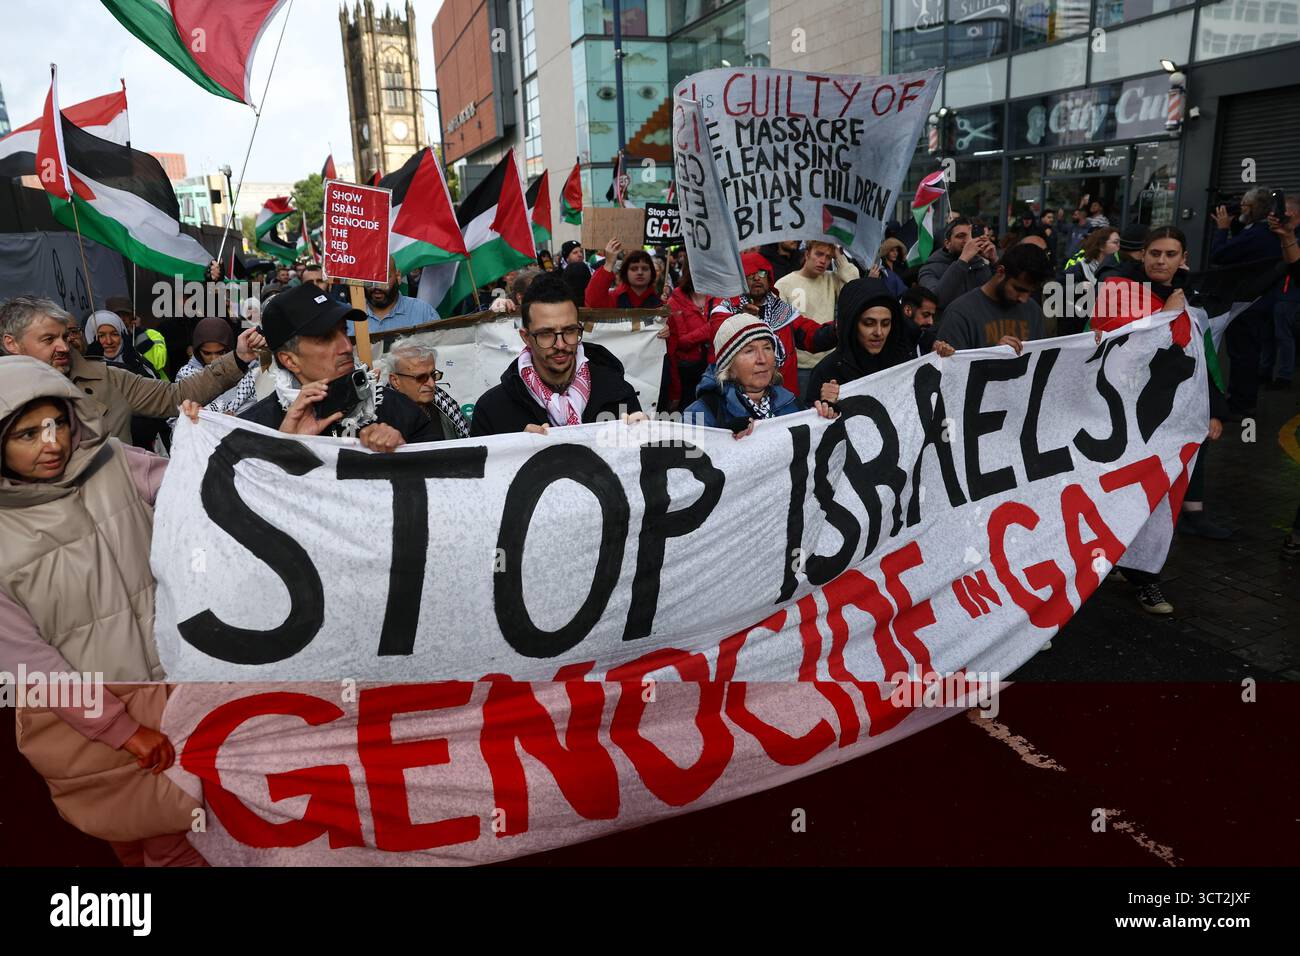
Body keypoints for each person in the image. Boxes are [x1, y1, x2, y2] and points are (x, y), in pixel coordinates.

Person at [0, 356, 206, 866]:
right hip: (87, 726)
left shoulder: (113, 460)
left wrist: (232, 445)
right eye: (26, 435)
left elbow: (200, 492)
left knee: (175, 839)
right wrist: (123, 731)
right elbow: (29, 663)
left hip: (176, 694)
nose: (50, 444)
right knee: (129, 838)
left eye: (56, 425)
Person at [1092, 225, 1231, 606]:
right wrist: (1162, 321)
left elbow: (1203, 357)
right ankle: (1104, 564)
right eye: (1155, 253)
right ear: (1143, 254)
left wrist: (1214, 410)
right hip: (1119, 416)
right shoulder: (1117, 290)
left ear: (1182, 258)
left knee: (1159, 499)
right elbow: (1106, 351)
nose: (1161, 261)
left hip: (1172, 418)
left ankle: (1145, 577)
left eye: (1171, 254)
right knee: (1115, 494)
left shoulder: (1192, 298)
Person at [0, 295, 259, 445]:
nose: (63, 347)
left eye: (65, 337)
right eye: (48, 340)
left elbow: (174, 395)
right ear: (11, 343)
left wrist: (237, 358)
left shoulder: (108, 377)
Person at [240, 283, 438, 450]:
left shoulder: (399, 411)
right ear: (289, 360)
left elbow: (443, 482)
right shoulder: (254, 430)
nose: (346, 346)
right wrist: (286, 450)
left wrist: (405, 453)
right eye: (325, 338)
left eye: (344, 330)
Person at [470, 270, 641, 436]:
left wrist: (643, 438)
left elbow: (643, 463)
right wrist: (516, 453)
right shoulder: (492, 410)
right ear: (526, 337)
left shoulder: (619, 394)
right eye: (546, 334)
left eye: (569, 330)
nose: (560, 344)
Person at [804, 277, 952, 407]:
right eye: (869, 323)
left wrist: (940, 350)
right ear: (851, 325)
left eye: (886, 323)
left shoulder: (903, 362)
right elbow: (811, 432)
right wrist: (826, 408)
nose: (879, 333)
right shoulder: (826, 373)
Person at [685, 314, 837, 436]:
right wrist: (722, 440)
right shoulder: (700, 414)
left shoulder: (792, 404)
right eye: (749, 351)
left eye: (767, 348)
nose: (762, 359)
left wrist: (822, 417)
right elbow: (686, 465)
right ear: (728, 365)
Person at [709, 251, 838, 393]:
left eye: (762, 273)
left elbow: (813, 336)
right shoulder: (725, 310)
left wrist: (839, 328)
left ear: (769, 278)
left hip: (782, 399)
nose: (757, 278)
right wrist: (741, 319)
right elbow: (719, 334)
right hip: (740, 399)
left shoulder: (782, 311)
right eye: (750, 274)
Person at [1211, 188, 1285, 415]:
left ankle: (1240, 403)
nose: (1239, 207)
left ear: (1255, 209)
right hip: (1261, 300)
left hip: (1248, 304)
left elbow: (1219, 255)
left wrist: (1222, 230)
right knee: (1249, 352)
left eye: (1244, 204)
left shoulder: (1257, 234)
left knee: (1243, 354)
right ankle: (1243, 397)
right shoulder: (1261, 232)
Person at [773, 241, 861, 394]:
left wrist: (839, 256)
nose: (823, 261)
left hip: (829, 362)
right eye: (819, 254)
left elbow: (854, 284)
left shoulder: (832, 279)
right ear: (807, 254)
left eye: (828, 257)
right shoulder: (784, 284)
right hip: (799, 366)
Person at [934, 244, 1053, 352]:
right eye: (1019, 289)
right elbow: (951, 370)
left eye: (1030, 292)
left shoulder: (1033, 310)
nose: (1024, 299)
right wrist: (992, 357)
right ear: (1000, 272)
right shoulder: (960, 313)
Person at [380, 338, 471, 440]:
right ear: (395, 381)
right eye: (421, 377)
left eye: (433, 375)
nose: (432, 384)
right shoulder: (379, 417)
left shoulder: (448, 409)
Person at [175, 317, 259, 416]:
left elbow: (259, 406)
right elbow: (177, 417)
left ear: (229, 347)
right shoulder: (186, 375)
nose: (214, 358)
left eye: (220, 352)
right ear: (197, 351)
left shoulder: (247, 370)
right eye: (207, 353)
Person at [664, 257, 713, 411]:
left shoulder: (718, 298)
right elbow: (681, 342)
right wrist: (712, 328)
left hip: (717, 371)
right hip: (689, 378)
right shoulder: (674, 302)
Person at [918, 218, 998, 311]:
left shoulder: (981, 265)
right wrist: (963, 260)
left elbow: (1001, 294)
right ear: (947, 243)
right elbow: (936, 300)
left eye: (971, 236)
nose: (968, 241)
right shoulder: (929, 269)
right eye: (961, 236)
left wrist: (994, 262)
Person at [1262, 194, 1299, 389]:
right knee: (1271, 335)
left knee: (1284, 336)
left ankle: (1284, 376)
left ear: (1291, 213)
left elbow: (1293, 266)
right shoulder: (1281, 233)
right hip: (1277, 293)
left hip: (1291, 297)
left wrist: (1288, 235)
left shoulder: (1293, 234)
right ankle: (1265, 371)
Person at [348, 259, 440, 335]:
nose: (376, 286)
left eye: (383, 278)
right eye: (370, 279)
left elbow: (439, 351)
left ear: (398, 277)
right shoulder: (349, 317)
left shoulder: (423, 313)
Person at [1061, 227, 1120, 334]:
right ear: (1102, 246)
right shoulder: (1080, 268)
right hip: (1076, 330)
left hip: (1102, 330)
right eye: (1115, 242)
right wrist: (1077, 287)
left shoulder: (1117, 269)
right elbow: (1054, 290)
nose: (1119, 246)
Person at [585, 239, 664, 309]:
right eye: (634, 269)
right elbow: (593, 302)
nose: (640, 272)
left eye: (645, 269)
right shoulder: (615, 299)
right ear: (625, 273)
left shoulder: (660, 305)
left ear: (652, 273)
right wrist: (609, 263)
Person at [104, 295, 169, 380]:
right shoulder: (106, 342)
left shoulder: (151, 334)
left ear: (133, 316)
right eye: (117, 315)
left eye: (125, 315)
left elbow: (158, 363)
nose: (122, 319)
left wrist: (138, 334)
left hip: (159, 389)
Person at [900, 286, 941, 358]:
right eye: (926, 315)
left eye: (932, 316)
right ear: (908, 310)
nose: (931, 322)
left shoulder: (922, 336)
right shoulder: (892, 341)